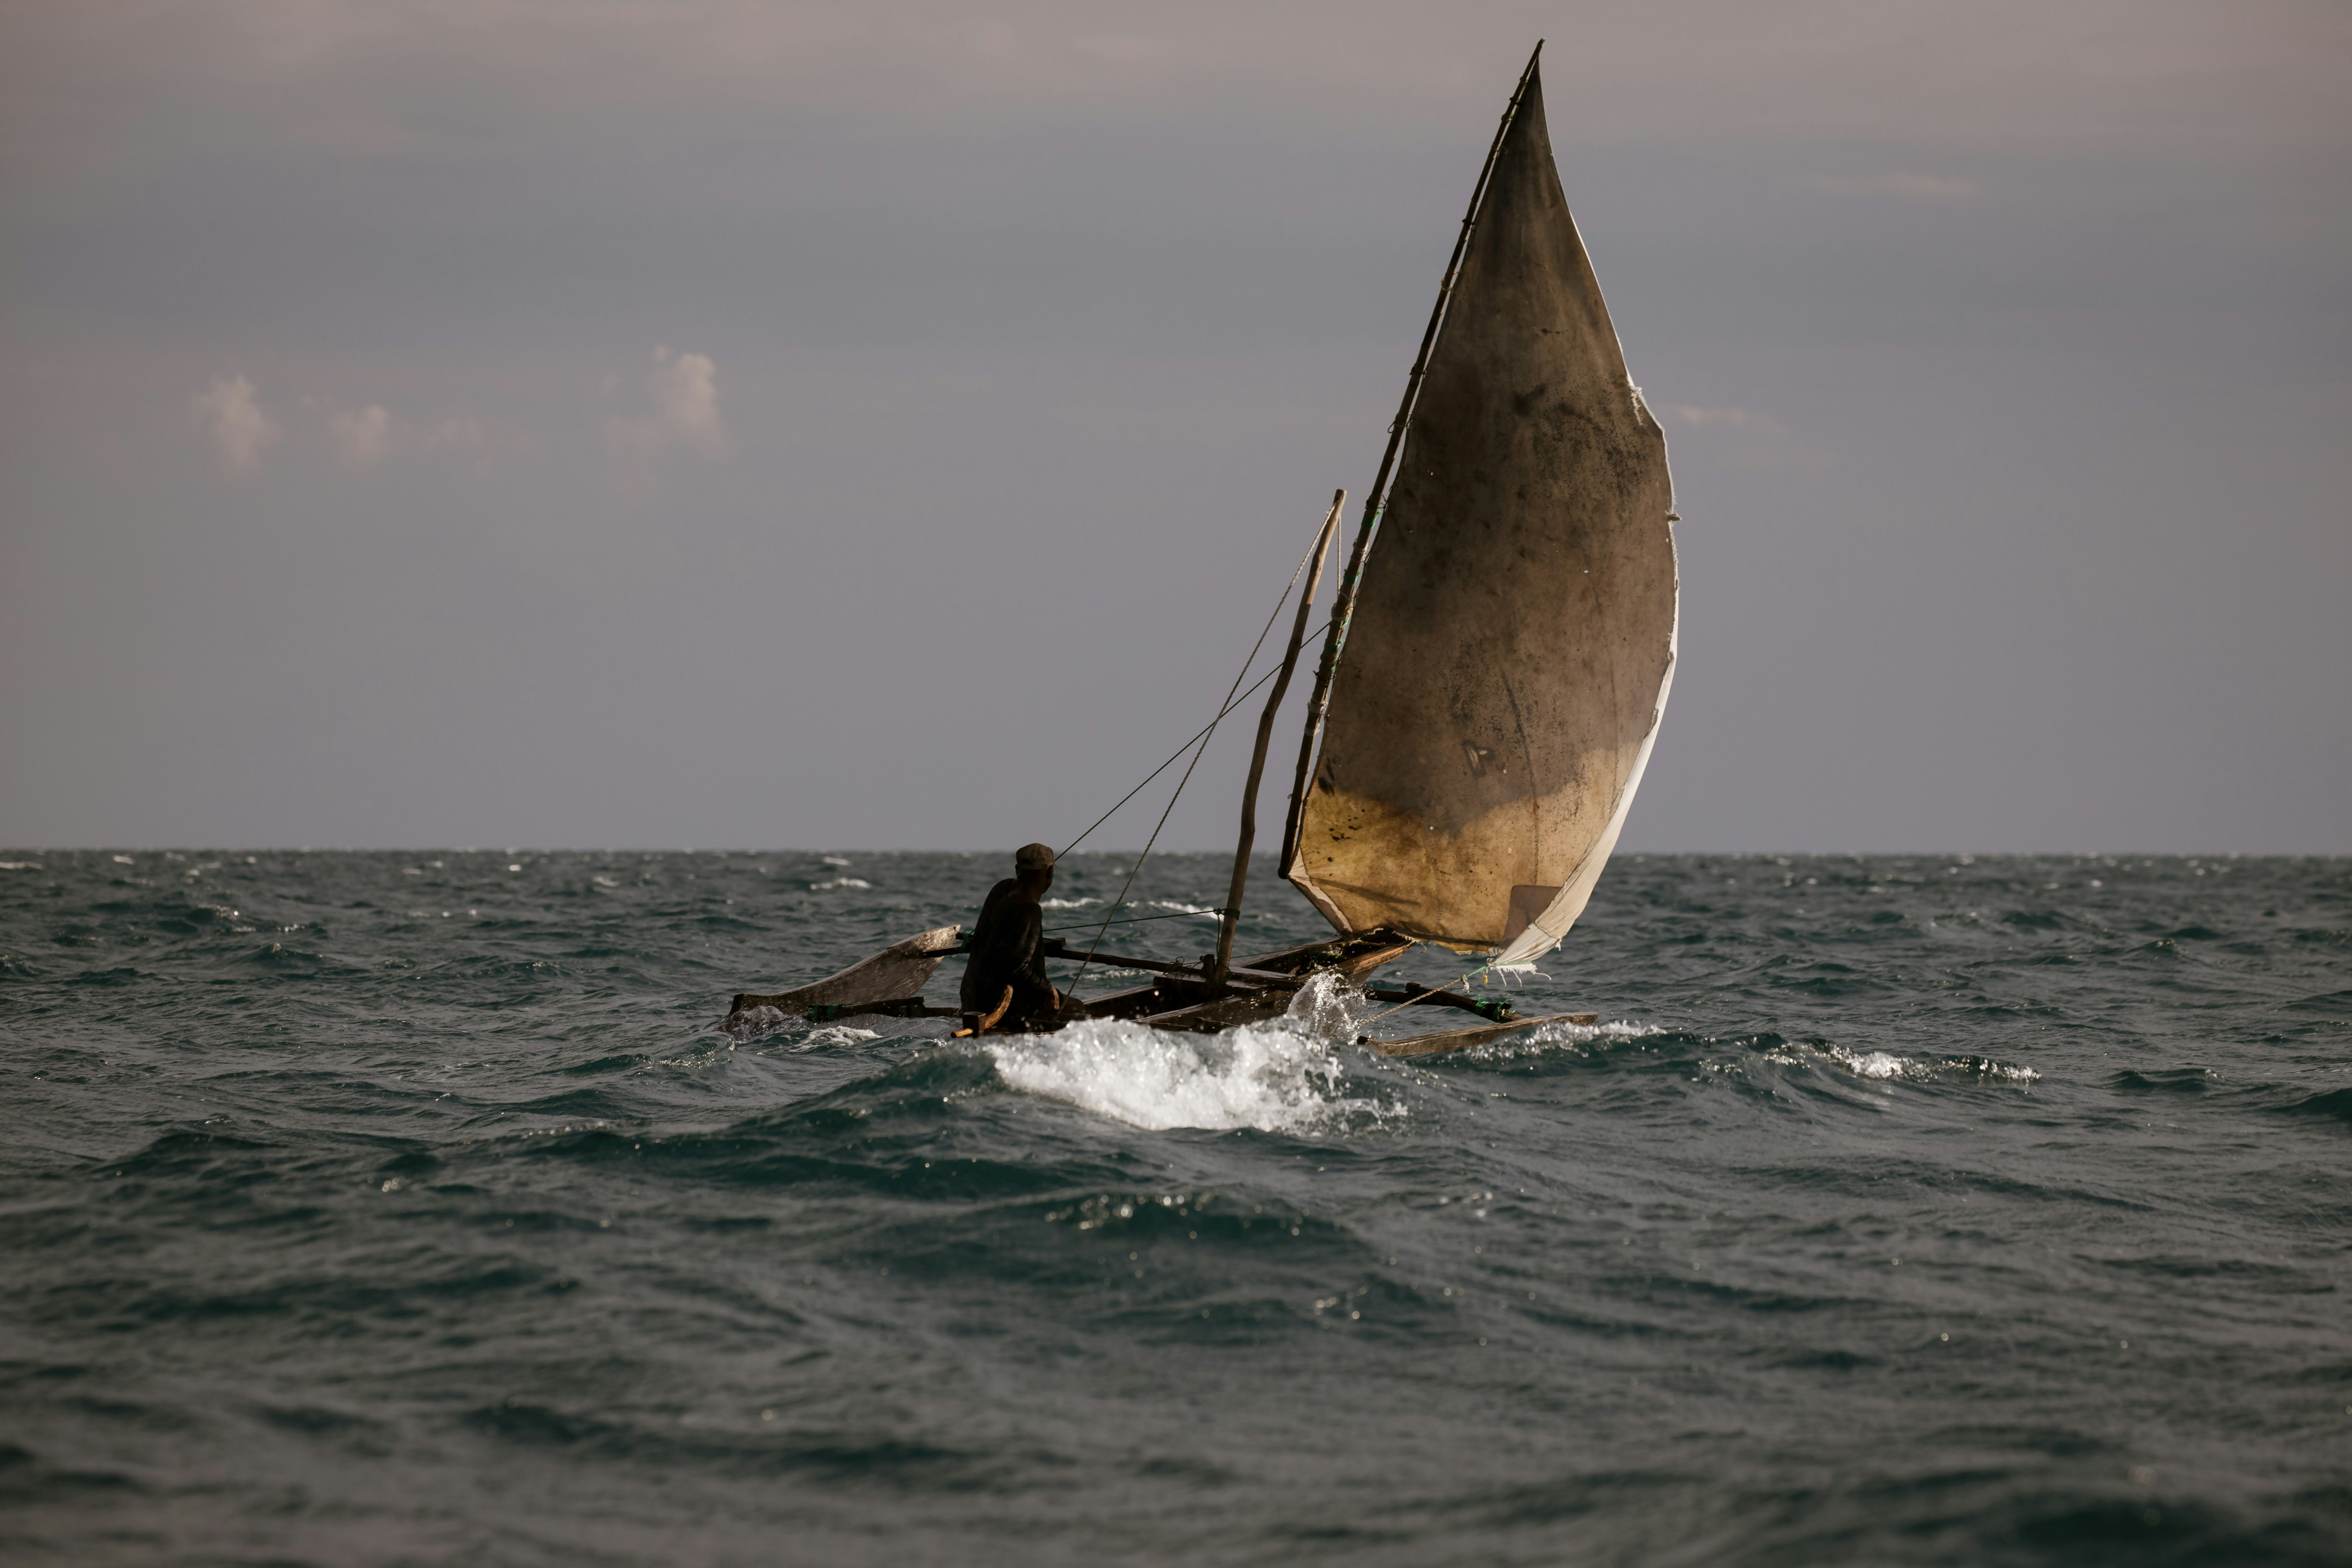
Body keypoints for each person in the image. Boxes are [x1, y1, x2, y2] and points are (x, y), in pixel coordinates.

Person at [960, 843, 1065, 1033]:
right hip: (1004, 1010)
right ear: (1050, 873)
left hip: (972, 999)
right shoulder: (1029, 910)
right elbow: (1015, 968)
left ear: (1018, 870)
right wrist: (1048, 991)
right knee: (1077, 1009)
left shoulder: (1001, 889)